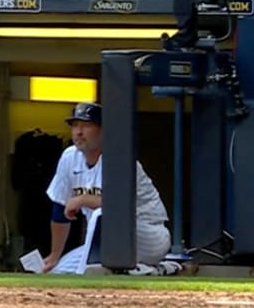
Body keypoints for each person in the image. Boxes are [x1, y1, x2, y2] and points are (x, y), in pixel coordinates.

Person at [42, 102, 171, 276]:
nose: (79, 132)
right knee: (58, 272)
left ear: (104, 131)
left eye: (86, 125)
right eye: (75, 125)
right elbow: (59, 210)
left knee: (102, 216)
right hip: (103, 243)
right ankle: (144, 270)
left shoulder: (120, 159)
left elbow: (118, 208)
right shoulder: (69, 157)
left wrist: (83, 199)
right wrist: (54, 255)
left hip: (147, 234)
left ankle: (161, 268)